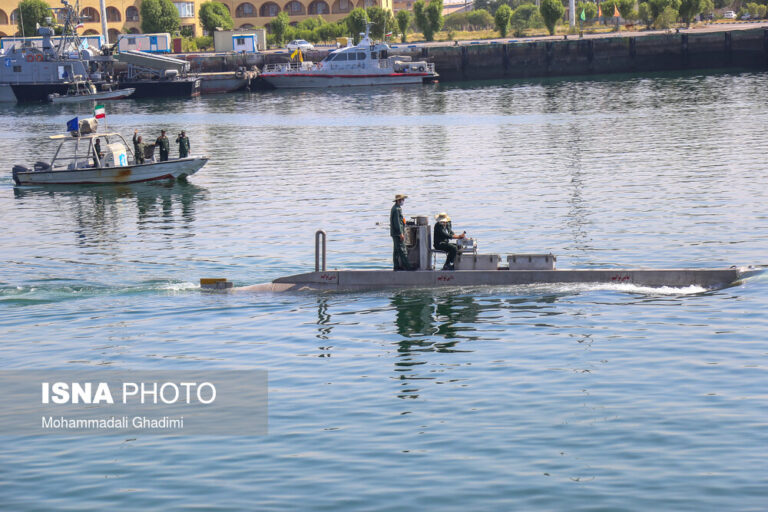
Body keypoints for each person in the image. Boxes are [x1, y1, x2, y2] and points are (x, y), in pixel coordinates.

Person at [390, 194, 412, 271]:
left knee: (396, 250)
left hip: (394, 233)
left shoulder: (395, 208)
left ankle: (396, 266)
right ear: (399, 200)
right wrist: (401, 233)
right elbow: (397, 222)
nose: (403, 201)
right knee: (402, 250)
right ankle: (408, 267)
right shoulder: (397, 209)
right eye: (403, 200)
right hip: (397, 233)